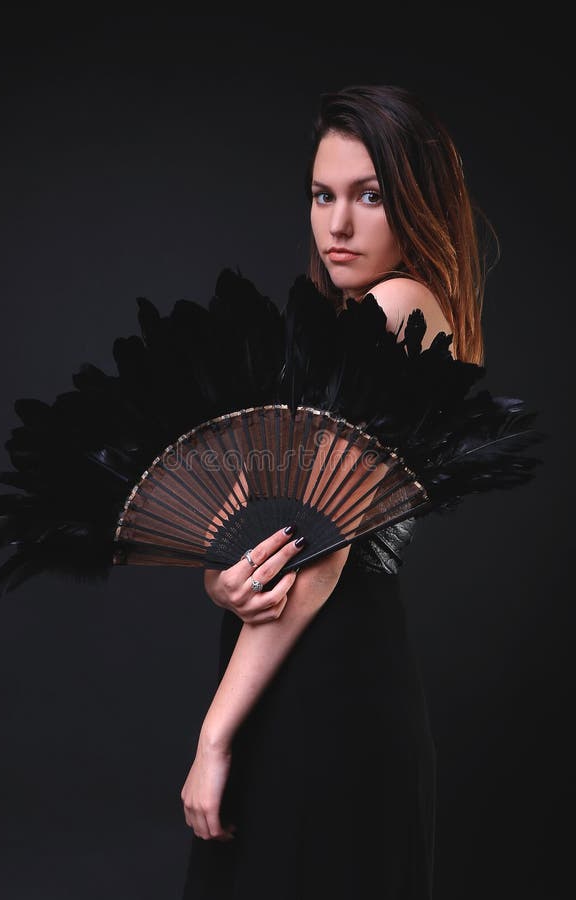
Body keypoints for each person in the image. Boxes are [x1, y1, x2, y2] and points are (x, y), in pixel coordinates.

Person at [178, 83, 490, 898]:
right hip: (293, 670)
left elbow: (323, 548)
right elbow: (258, 527)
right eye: (323, 195)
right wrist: (222, 577)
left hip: (331, 679)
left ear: (416, 204)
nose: (337, 224)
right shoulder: (343, 319)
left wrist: (213, 735)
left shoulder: (397, 305)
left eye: (370, 196)